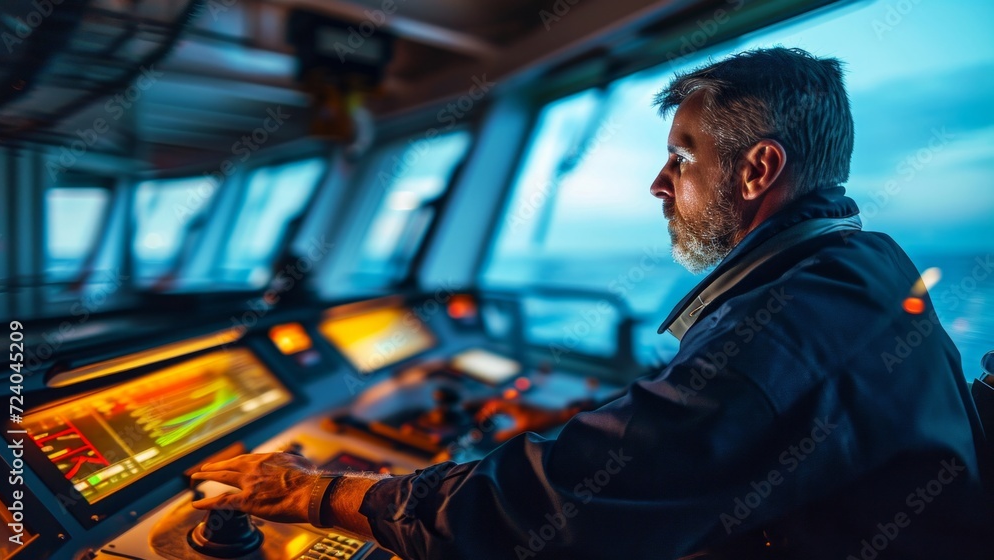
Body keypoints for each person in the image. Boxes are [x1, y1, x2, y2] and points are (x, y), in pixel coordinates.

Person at [191, 48, 991, 559]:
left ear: (757, 171)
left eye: (683, 156)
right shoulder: (867, 265)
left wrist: (314, 492)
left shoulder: (780, 329)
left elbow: (545, 517)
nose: (659, 183)